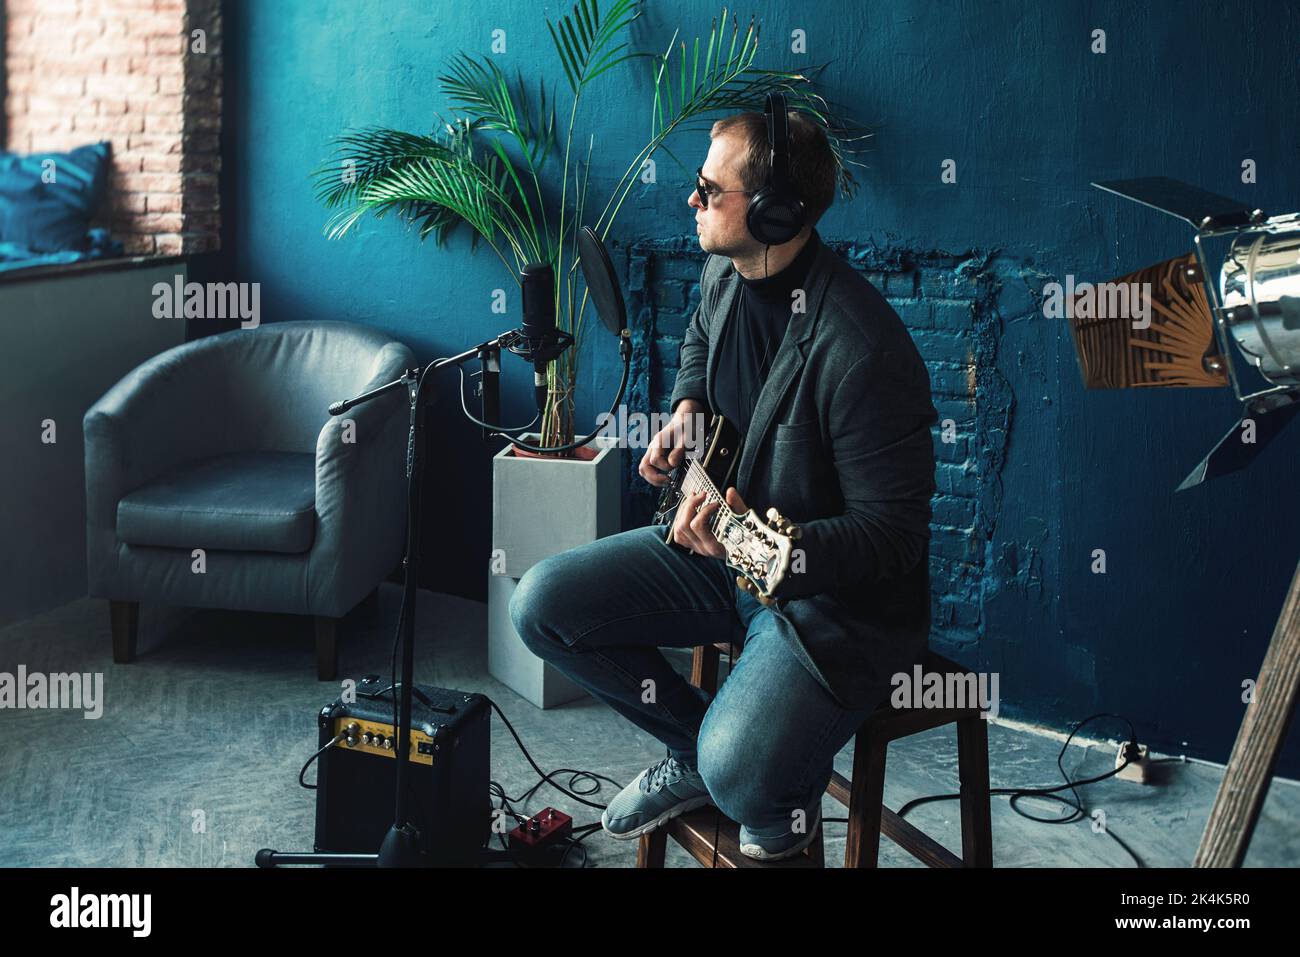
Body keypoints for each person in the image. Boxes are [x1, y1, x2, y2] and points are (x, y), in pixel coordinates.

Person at [509, 105, 938, 862]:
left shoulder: (865, 350)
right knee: (540, 604)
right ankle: (706, 752)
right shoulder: (723, 269)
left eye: (709, 189)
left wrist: (781, 551)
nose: (692, 200)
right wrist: (686, 410)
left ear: (775, 212)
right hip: (719, 560)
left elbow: (895, 537)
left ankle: (741, 769)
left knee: (742, 771)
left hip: (827, 608)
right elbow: (700, 344)